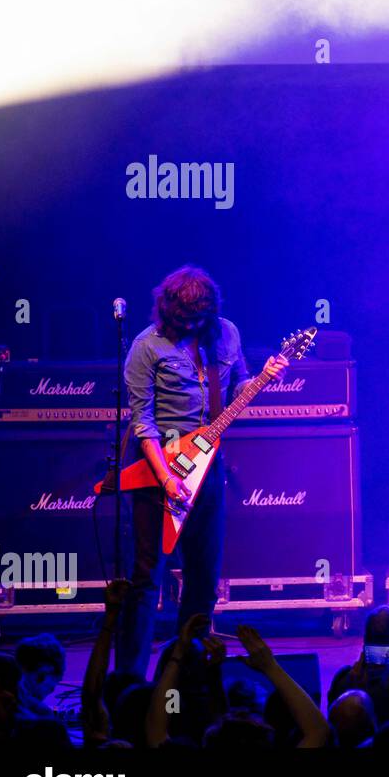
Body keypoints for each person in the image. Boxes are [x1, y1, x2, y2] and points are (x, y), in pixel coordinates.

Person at [116, 265, 289, 678]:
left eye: (199, 318)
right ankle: (129, 680)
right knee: (146, 578)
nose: (192, 326)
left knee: (204, 574)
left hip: (207, 463)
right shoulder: (146, 346)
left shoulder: (226, 333)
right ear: (168, 310)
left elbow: (240, 388)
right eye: (184, 320)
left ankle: (187, 672)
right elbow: (143, 421)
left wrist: (265, 379)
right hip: (156, 465)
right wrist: (166, 477)